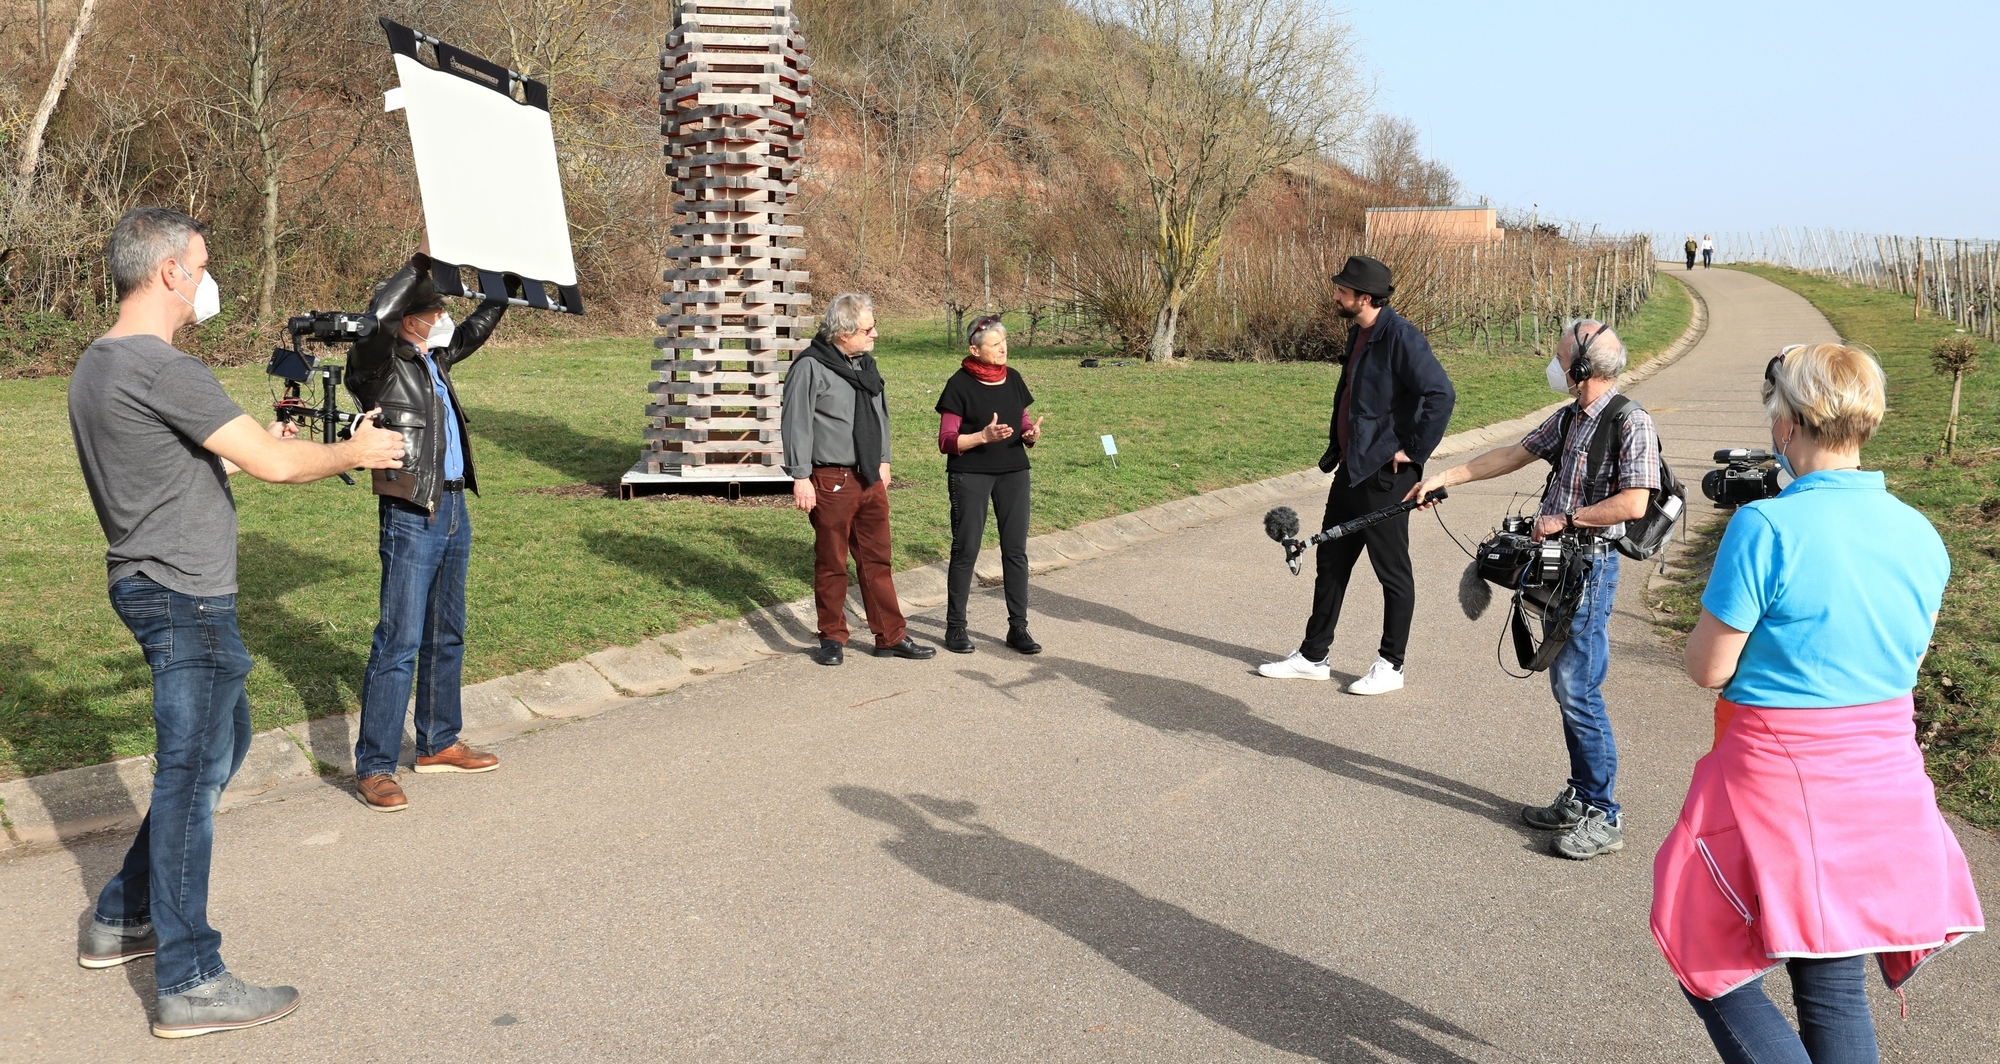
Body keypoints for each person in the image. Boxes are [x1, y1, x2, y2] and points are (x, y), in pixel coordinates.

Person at [69, 207, 406, 1037]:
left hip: (148, 582)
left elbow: (186, 458)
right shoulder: (164, 367)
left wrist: (250, 440)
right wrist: (354, 454)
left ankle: (121, 917)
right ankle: (191, 980)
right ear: (172, 272)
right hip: (185, 598)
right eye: (204, 263)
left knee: (220, 749)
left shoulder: (98, 364)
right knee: (191, 778)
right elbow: (279, 466)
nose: (209, 279)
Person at [1658, 343, 1983, 1063]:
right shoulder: (1921, 533)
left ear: (1787, 425)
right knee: (1830, 983)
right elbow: (1907, 663)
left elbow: (1709, 667)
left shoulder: (1765, 527)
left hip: (1777, 779)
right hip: (1884, 778)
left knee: (1696, 944)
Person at [1408, 319, 1661, 860]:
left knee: (1579, 689)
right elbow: (1512, 454)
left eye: (1560, 357)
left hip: (1589, 570)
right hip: (1558, 568)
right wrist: (1443, 478)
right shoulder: (1570, 419)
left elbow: (1635, 503)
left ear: (1582, 371)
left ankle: (1604, 813)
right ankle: (1581, 794)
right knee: (1567, 686)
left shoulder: (1630, 422)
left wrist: (1566, 519)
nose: (1554, 365)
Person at [344, 255, 509, 813]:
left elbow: (468, 335)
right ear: (405, 317)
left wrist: (499, 295)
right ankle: (375, 767)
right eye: (432, 308)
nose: (442, 316)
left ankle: (438, 742)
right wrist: (423, 269)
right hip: (412, 511)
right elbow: (377, 318)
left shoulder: (429, 359)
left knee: (448, 633)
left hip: (454, 504)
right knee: (398, 642)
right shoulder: (377, 363)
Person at [1258, 255, 1455, 695]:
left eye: (1343, 291)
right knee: (1330, 564)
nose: (1336, 296)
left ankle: (1391, 665)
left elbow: (1441, 394)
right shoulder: (1358, 334)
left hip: (1386, 478)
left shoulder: (1401, 337)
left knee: (1393, 573)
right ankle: (1313, 656)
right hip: (1351, 471)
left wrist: (1414, 451)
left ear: (1364, 298)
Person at [782, 293, 936, 666]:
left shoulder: (866, 365)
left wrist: (884, 460)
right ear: (844, 331)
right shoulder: (810, 367)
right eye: (868, 329)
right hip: (831, 477)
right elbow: (795, 424)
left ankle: (890, 635)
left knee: (877, 559)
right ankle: (832, 636)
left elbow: (880, 414)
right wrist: (801, 476)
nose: (875, 334)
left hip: (870, 476)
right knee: (832, 560)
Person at [935, 314, 1045, 655]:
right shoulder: (958, 385)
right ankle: (955, 629)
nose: (1003, 350)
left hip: (1014, 472)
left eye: (1005, 343)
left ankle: (1018, 628)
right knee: (966, 550)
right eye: (995, 345)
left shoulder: (1013, 378)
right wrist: (982, 436)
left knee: (1015, 552)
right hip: (971, 475)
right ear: (975, 349)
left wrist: (1030, 434)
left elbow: (1022, 420)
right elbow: (946, 441)